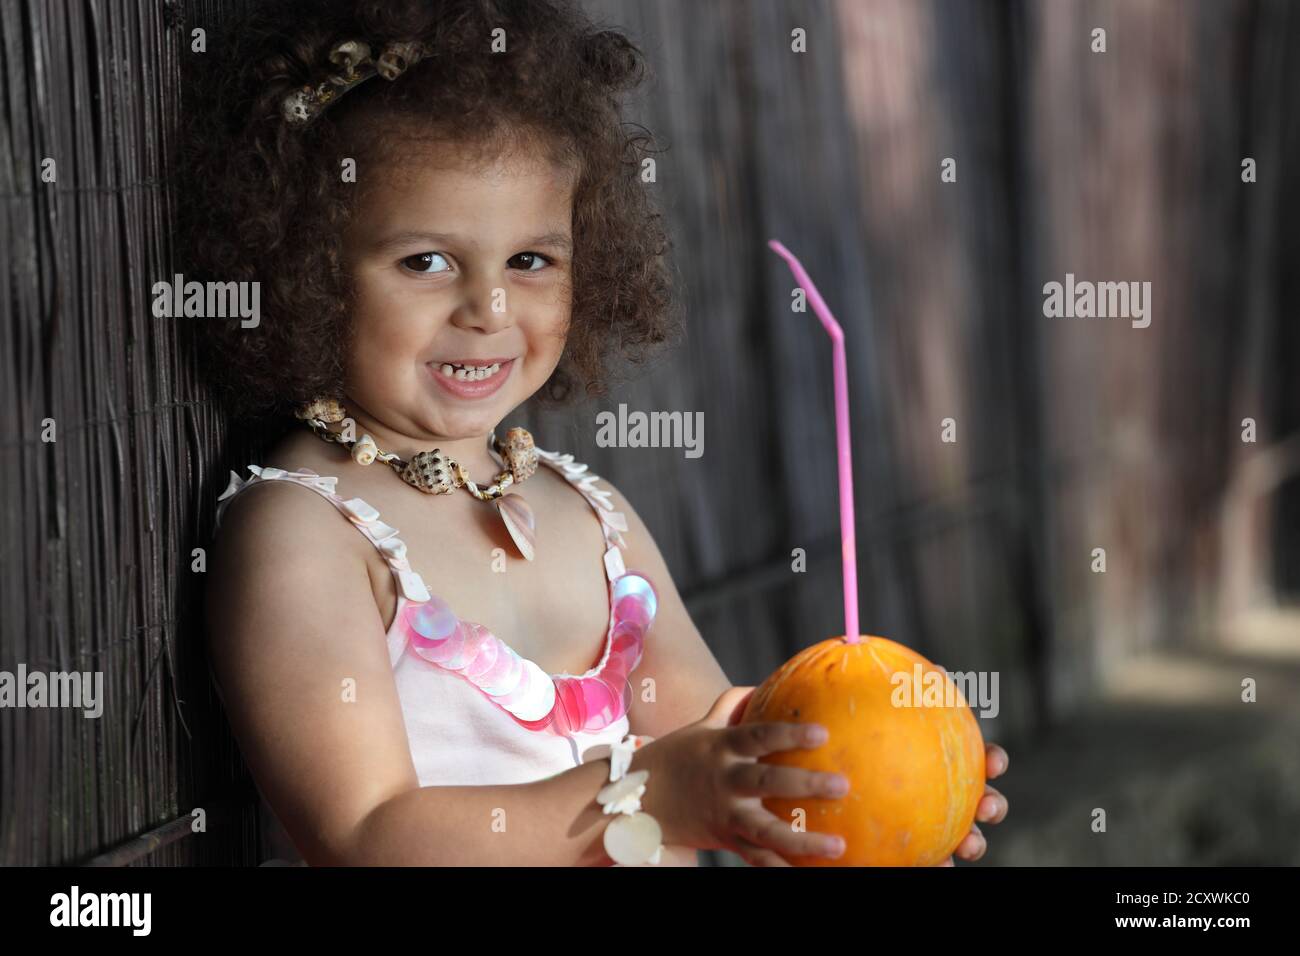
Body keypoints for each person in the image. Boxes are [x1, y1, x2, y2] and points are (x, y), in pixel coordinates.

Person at [187, 0, 1009, 866]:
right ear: (301, 268)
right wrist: (649, 798)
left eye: (530, 260)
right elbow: (366, 835)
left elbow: (714, 737)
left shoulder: (593, 516)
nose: (489, 308)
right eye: (426, 261)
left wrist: (870, 778)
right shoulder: (304, 533)